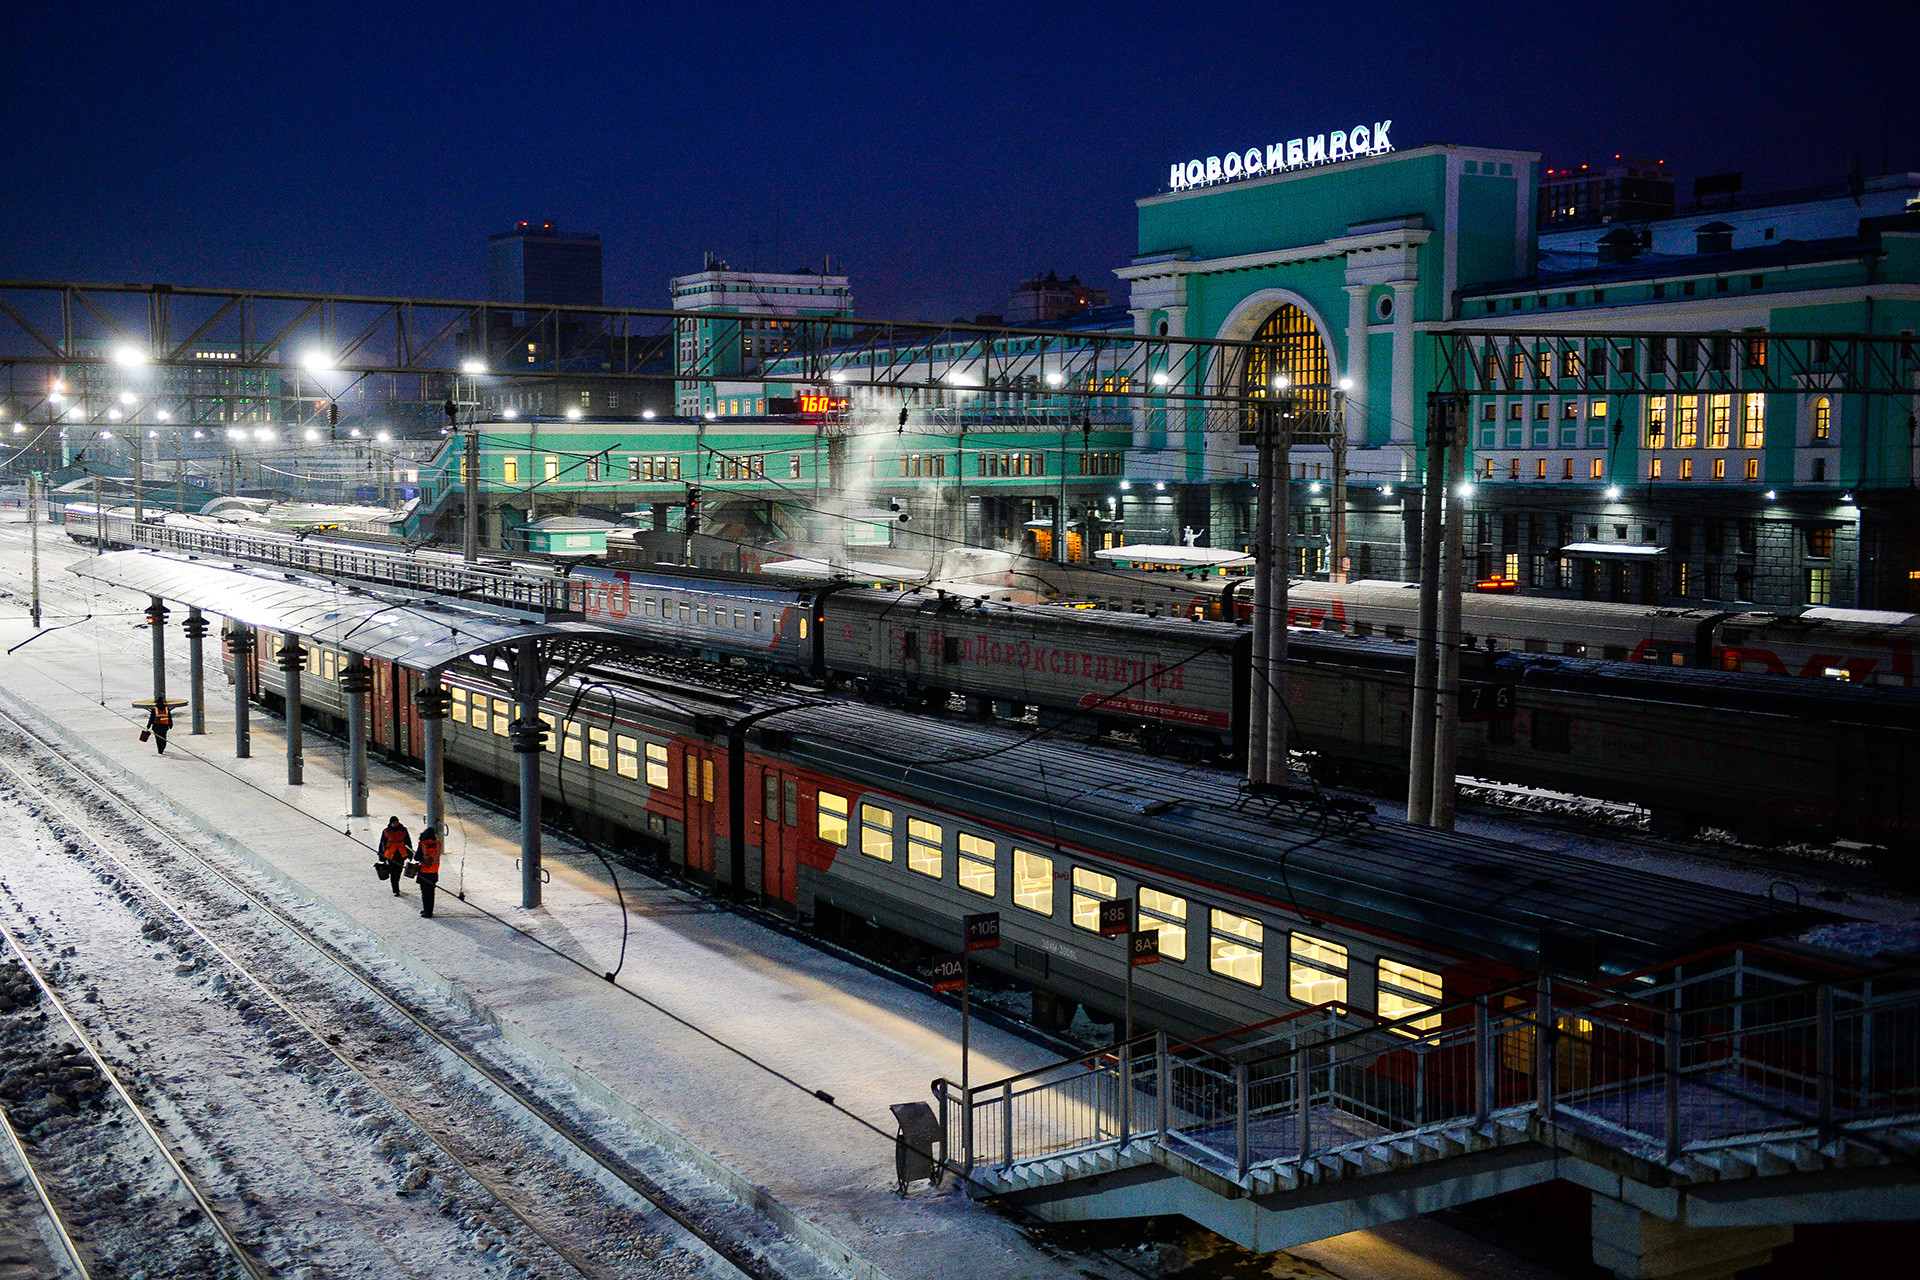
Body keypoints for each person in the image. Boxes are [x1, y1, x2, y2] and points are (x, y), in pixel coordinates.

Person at [412, 826, 442, 918]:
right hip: (434, 871)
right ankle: (430, 910)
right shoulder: (438, 845)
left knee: (425, 893)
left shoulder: (423, 844)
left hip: (424, 871)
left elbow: (416, 857)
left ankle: (427, 911)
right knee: (431, 892)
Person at [377, 816, 412, 896]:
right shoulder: (386, 831)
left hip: (401, 854)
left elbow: (408, 842)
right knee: (393, 873)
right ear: (390, 823)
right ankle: (395, 889)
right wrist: (381, 855)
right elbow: (382, 844)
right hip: (391, 855)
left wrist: (410, 853)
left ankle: (396, 884)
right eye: (393, 823)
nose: (395, 824)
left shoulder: (403, 830)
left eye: (396, 822)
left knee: (399, 871)